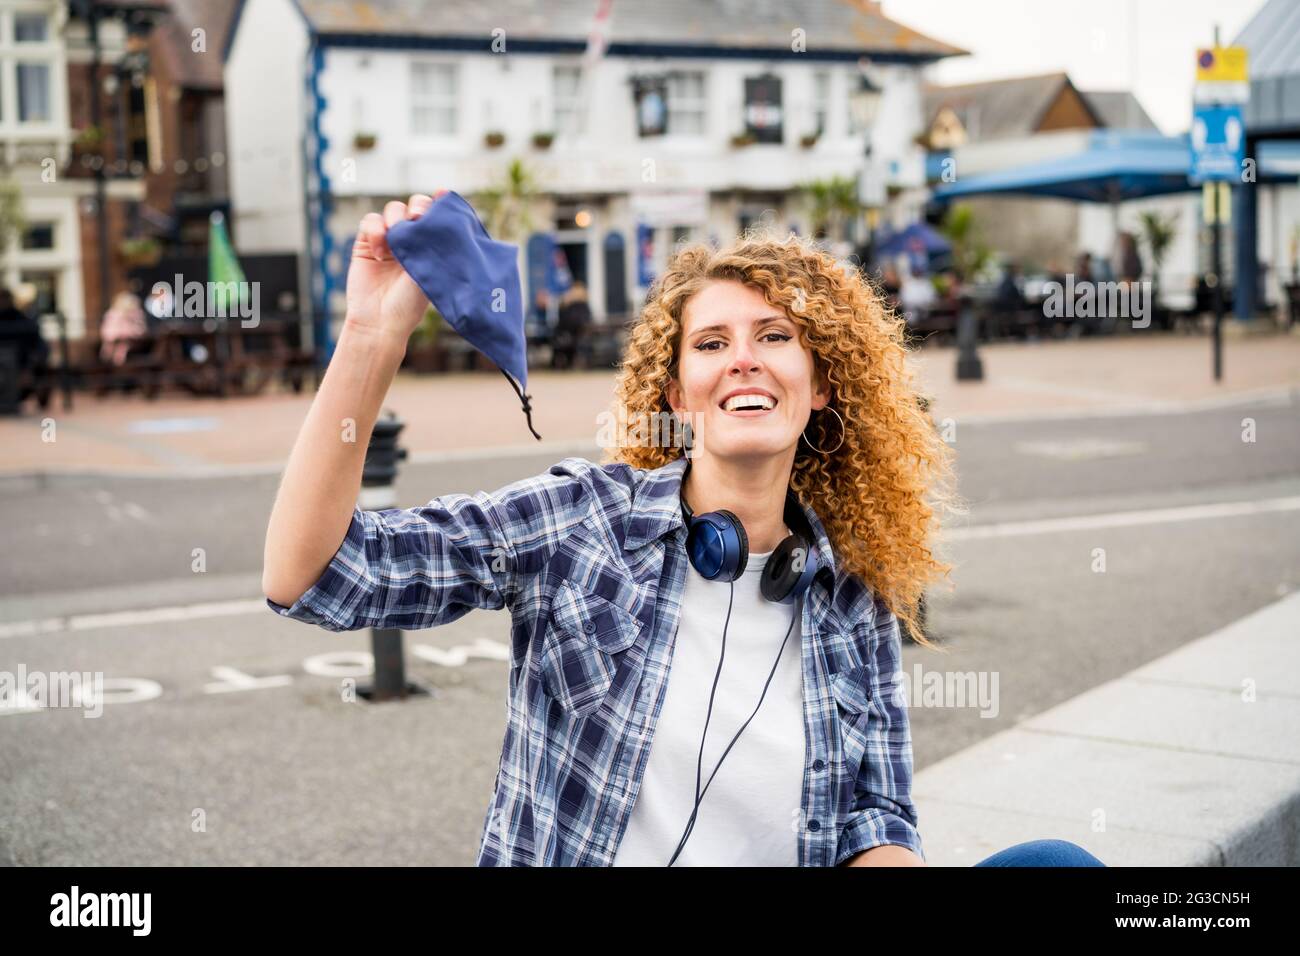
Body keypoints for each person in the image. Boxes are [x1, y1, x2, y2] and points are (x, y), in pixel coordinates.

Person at [262, 192, 1106, 868]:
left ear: (819, 385)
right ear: (677, 393)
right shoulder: (583, 525)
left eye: (775, 336)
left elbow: (874, 817)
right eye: (711, 343)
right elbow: (313, 576)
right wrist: (373, 335)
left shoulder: (853, 587)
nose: (743, 358)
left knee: (1058, 868)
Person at [0, 286, 51, 409]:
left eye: (4, 299)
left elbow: (40, 346)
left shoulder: (22, 320)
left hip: (20, 366)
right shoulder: (23, 321)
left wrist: (31, 366)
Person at [99, 291, 148, 366]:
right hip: (115, 336)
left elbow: (140, 328)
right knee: (109, 347)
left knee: (123, 346)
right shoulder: (113, 314)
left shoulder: (135, 314)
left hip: (129, 338)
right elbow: (109, 327)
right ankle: (107, 359)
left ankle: (118, 360)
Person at [551, 280, 591, 370]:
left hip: (576, 335)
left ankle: (566, 363)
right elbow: (562, 321)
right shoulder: (567, 305)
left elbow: (579, 322)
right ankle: (561, 363)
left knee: (569, 343)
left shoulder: (581, 306)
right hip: (568, 335)